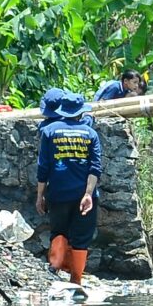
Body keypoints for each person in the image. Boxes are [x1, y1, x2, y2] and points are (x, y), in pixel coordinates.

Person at [34, 87, 101, 287]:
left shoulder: (48, 131)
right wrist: (88, 194)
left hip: (58, 194)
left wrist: (40, 196)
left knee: (59, 231)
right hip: (84, 195)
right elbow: (95, 167)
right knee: (81, 238)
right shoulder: (91, 134)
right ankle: (76, 280)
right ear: (81, 112)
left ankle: (54, 270)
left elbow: (43, 167)